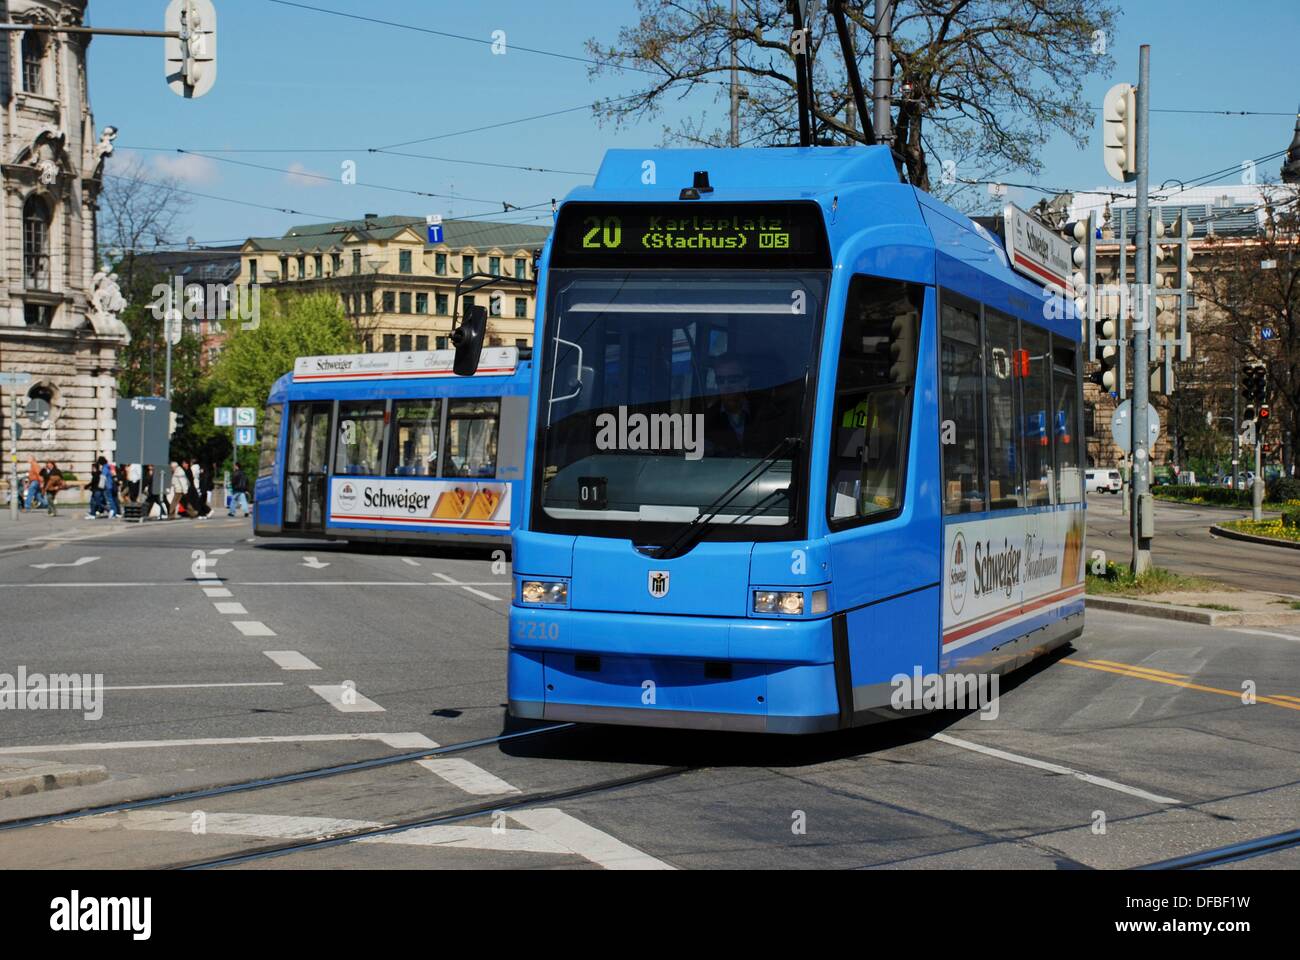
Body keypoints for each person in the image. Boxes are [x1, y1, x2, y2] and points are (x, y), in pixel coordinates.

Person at [703, 353, 786, 458]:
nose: (726, 386)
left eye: (733, 380)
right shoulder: (708, 419)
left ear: (746, 381)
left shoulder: (768, 412)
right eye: (720, 380)